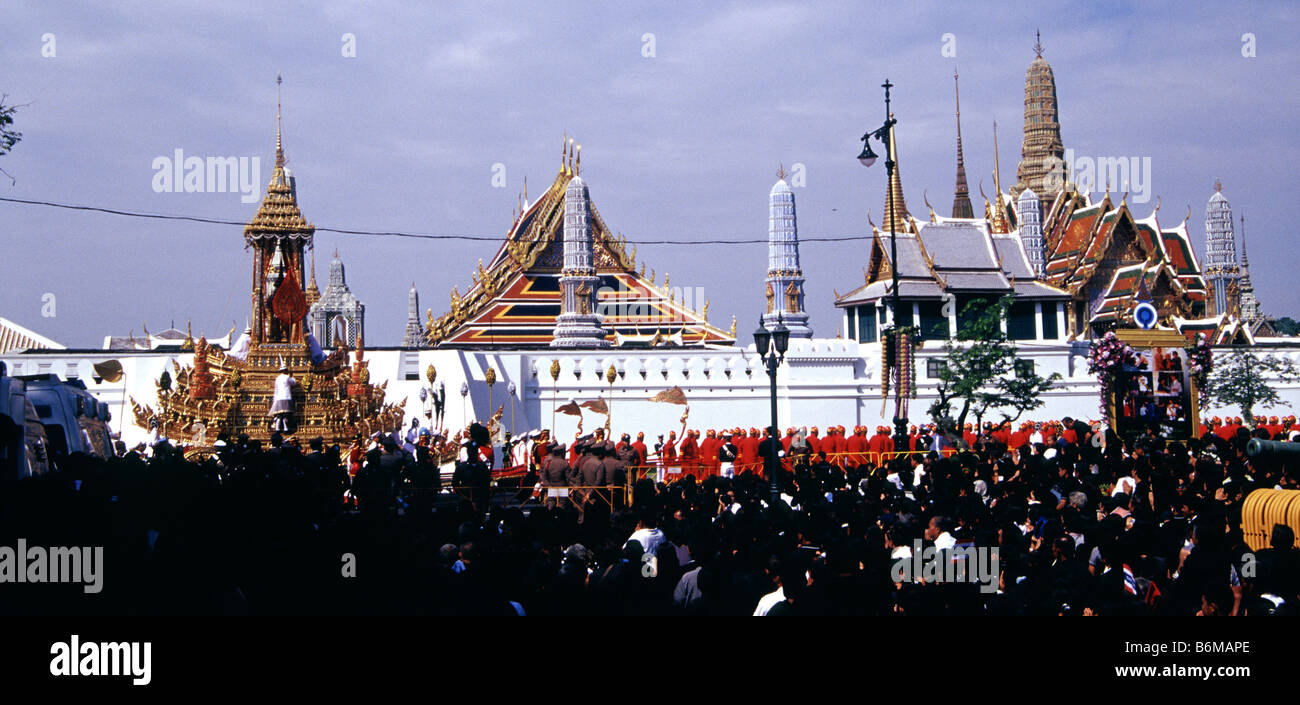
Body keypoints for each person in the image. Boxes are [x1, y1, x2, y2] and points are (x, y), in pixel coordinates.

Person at [268, 359, 298, 433]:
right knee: (285, 416)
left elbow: (276, 390)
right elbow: (294, 383)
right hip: (286, 397)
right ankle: (285, 429)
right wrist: (292, 376)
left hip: (279, 398)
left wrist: (275, 399)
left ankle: (277, 429)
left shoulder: (277, 378)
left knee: (279, 415)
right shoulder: (287, 377)